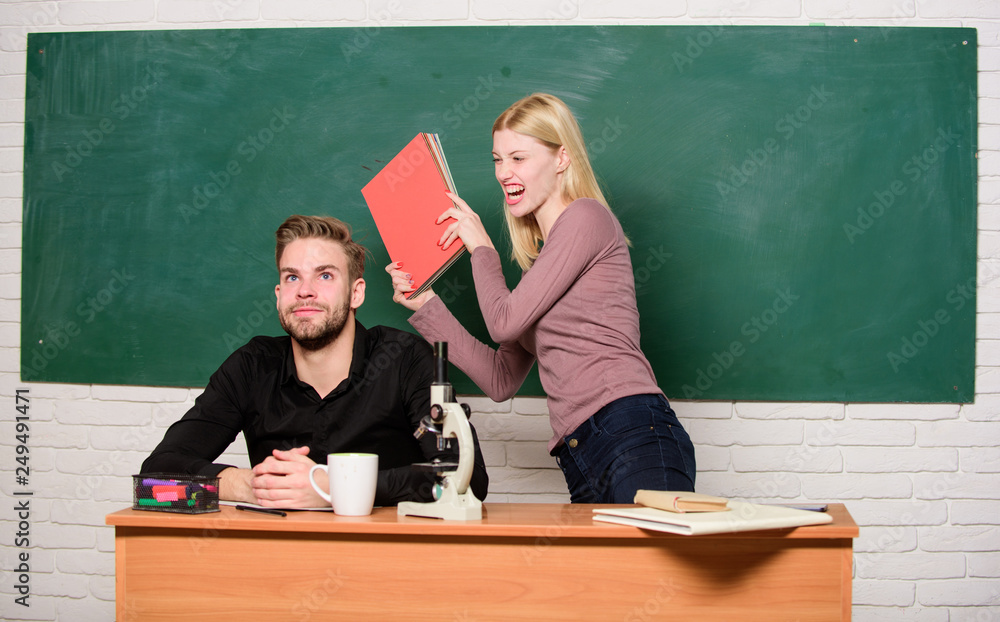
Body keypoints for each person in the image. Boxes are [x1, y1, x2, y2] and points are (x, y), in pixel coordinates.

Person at [386, 93, 695, 503]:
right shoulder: (543, 271)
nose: (503, 172)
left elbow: (503, 322)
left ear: (561, 159)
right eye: (497, 159)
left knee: (650, 569)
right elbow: (500, 379)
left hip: (630, 431)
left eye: (518, 158)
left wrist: (481, 249)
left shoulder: (587, 218)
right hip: (580, 452)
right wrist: (426, 305)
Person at [142, 215, 489, 508]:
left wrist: (329, 487)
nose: (304, 290)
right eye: (292, 277)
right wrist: (252, 485)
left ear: (357, 293)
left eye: (325, 275)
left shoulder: (404, 359)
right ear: (279, 296)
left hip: (387, 568)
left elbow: (468, 482)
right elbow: (154, 484)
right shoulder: (251, 366)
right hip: (280, 569)